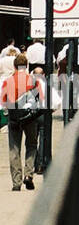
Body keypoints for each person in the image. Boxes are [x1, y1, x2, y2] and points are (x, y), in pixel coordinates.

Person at [2, 54, 43, 190]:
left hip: (14, 117)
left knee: (14, 148)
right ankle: (28, 175)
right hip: (30, 117)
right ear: (26, 66)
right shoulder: (33, 80)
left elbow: (3, 102)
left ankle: (16, 182)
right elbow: (40, 99)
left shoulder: (8, 81)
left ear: (14, 66)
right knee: (31, 144)